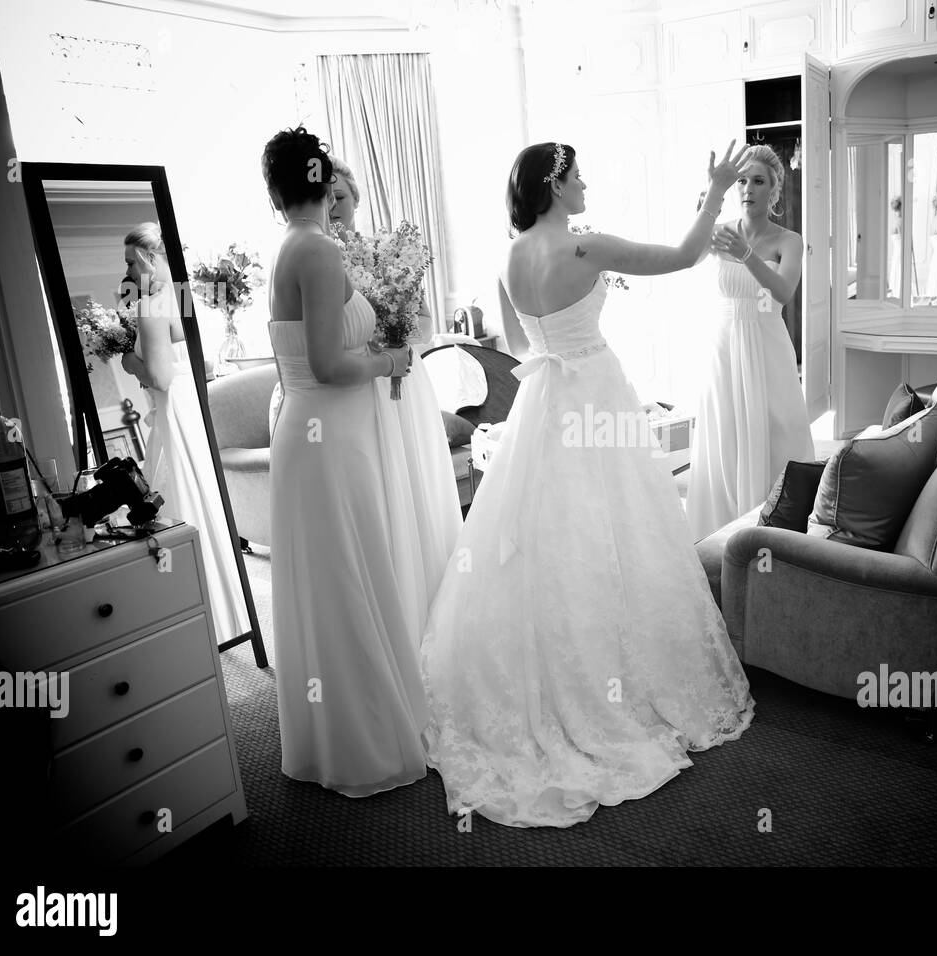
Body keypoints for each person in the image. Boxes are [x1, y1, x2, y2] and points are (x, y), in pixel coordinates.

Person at [421, 140, 755, 828]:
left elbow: (518, 348)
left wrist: (559, 353)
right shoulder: (583, 247)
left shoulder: (510, 257)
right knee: (618, 530)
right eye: (577, 176)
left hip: (542, 404)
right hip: (595, 392)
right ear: (554, 184)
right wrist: (717, 190)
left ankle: (536, 677)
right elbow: (685, 257)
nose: (586, 186)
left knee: (546, 535)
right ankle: (614, 690)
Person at [262, 126, 426, 796]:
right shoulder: (319, 253)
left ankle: (335, 738)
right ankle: (364, 747)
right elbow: (329, 366)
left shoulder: (291, 248)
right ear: (323, 182)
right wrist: (390, 359)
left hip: (314, 436)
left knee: (335, 577)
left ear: (275, 191)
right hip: (327, 437)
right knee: (348, 575)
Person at [328, 155, 461, 622]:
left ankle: (438, 603)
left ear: (356, 200)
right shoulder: (317, 262)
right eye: (323, 197)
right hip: (362, 388)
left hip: (406, 382)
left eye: (339, 196)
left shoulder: (389, 253)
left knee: (417, 480)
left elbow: (426, 324)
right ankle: (394, 611)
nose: (332, 205)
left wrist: (396, 331)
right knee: (380, 494)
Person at [119, 222, 251, 647]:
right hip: (193, 413)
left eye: (128, 261)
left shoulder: (151, 303)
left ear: (147, 258)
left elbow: (158, 375)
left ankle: (194, 617)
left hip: (173, 416)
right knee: (203, 503)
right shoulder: (182, 299)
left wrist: (127, 360)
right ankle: (228, 610)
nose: (126, 271)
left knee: (174, 508)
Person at [686, 144, 815, 540]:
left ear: (774, 189)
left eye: (758, 181)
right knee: (725, 435)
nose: (748, 188)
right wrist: (711, 193)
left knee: (777, 430)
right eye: (742, 180)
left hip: (767, 344)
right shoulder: (719, 232)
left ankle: (777, 531)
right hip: (724, 347)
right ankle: (722, 534)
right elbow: (686, 257)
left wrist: (747, 256)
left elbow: (783, 292)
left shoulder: (788, 240)